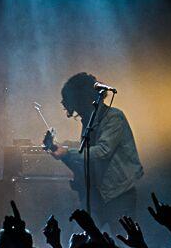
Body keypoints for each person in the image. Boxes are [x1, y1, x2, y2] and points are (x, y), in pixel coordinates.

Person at [47, 72, 143, 234]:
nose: (76, 111)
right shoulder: (89, 119)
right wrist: (63, 148)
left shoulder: (113, 117)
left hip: (118, 193)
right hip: (96, 194)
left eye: (76, 104)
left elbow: (103, 151)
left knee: (124, 240)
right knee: (86, 239)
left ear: (83, 99)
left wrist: (67, 153)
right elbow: (88, 151)